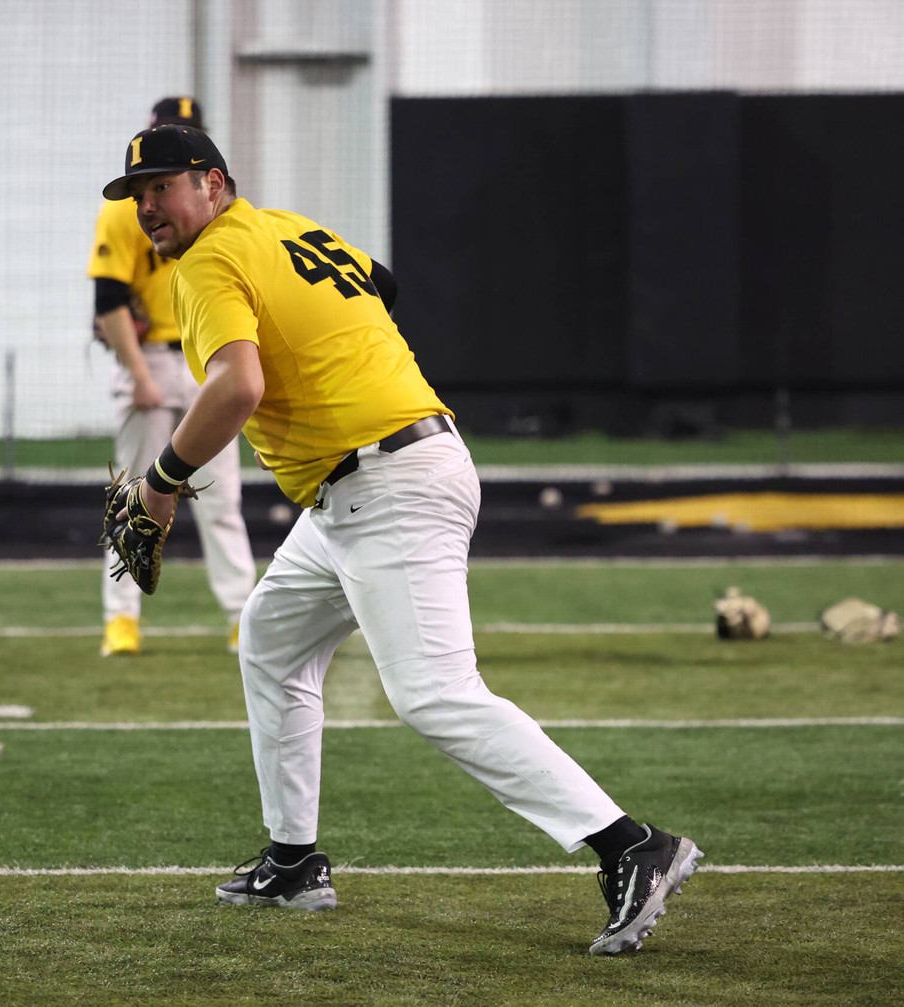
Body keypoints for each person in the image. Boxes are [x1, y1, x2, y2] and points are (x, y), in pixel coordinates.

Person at [100, 124, 702, 955]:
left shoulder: (209, 260)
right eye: (136, 195)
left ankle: (629, 844)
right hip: (373, 479)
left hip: (385, 483)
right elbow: (378, 284)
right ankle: (293, 858)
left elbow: (238, 386)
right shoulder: (287, 228)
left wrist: (162, 482)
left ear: (212, 182)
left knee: (433, 694)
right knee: (270, 643)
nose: (146, 207)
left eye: (161, 187)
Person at [86, 97, 255, 657]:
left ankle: (240, 616)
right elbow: (108, 298)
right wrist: (138, 373)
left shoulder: (229, 219)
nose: (151, 198)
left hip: (211, 354)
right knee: (134, 494)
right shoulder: (126, 211)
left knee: (221, 497)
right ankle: (122, 619)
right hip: (155, 354)